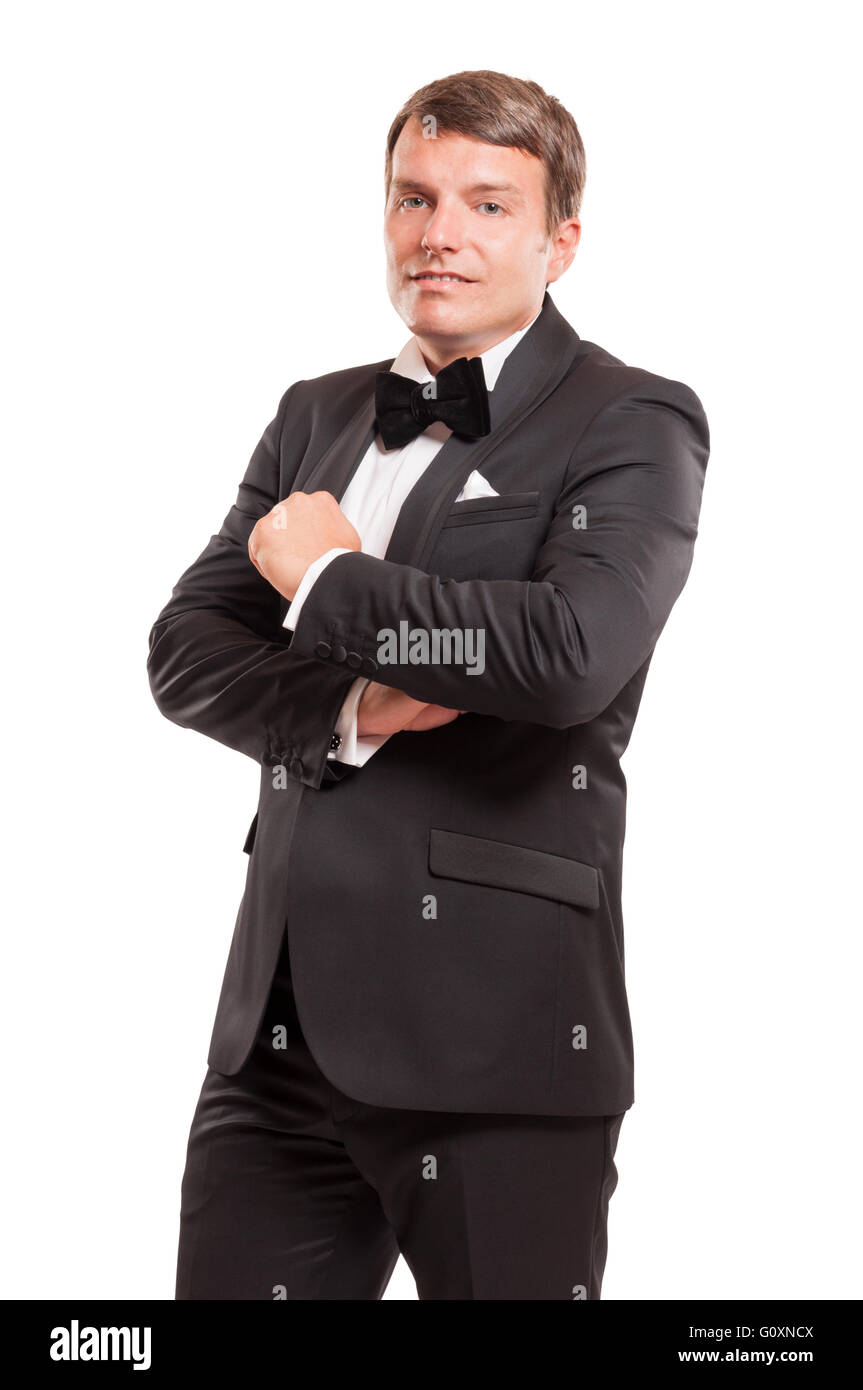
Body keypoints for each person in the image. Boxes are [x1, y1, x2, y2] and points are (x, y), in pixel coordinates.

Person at [147, 68, 710, 1300]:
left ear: (561, 239)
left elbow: (565, 654)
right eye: (413, 196)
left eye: (486, 204)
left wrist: (329, 587)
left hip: (498, 1042)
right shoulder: (316, 413)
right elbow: (184, 651)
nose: (438, 233)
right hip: (275, 1040)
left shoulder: (632, 421)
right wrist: (348, 704)